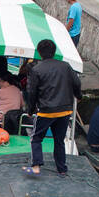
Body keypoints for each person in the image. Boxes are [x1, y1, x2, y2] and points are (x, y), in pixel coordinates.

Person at [22, 37, 81, 177]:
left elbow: (32, 92)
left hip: (46, 111)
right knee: (59, 140)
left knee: (36, 138)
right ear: (54, 52)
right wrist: (79, 96)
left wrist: (30, 110)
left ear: (39, 53)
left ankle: (36, 166)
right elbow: (77, 83)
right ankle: (62, 169)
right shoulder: (65, 66)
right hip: (65, 110)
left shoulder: (36, 69)